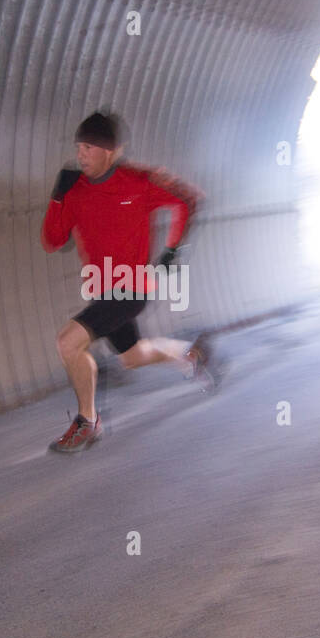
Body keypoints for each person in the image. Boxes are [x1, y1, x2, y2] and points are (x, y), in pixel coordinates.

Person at [40, 110, 218, 453]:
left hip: (133, 287)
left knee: (68, 343)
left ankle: (88, 423)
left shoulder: (140, 181)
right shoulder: (74, 191)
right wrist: (57, 197)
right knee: (132, 357)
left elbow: (189, 199)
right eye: (79, 147)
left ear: (111, 151)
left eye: (89, 148)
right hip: (103, 290)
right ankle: (190, 354)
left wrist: (173, 251)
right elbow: (53, 240)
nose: (80, 155)